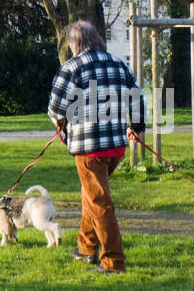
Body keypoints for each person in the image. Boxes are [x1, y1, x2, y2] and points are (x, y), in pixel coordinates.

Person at [47, 20, 146, 273]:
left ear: (74, 43)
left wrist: (59, 123)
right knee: (90, 196)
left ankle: (113, 261)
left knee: (99, 202)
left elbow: (56, 107)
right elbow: (137, 97)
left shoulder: (72, 67)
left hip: (88, 147)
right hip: (115, 147)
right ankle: (86, 248)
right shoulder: (118, 63)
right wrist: (136, 128)